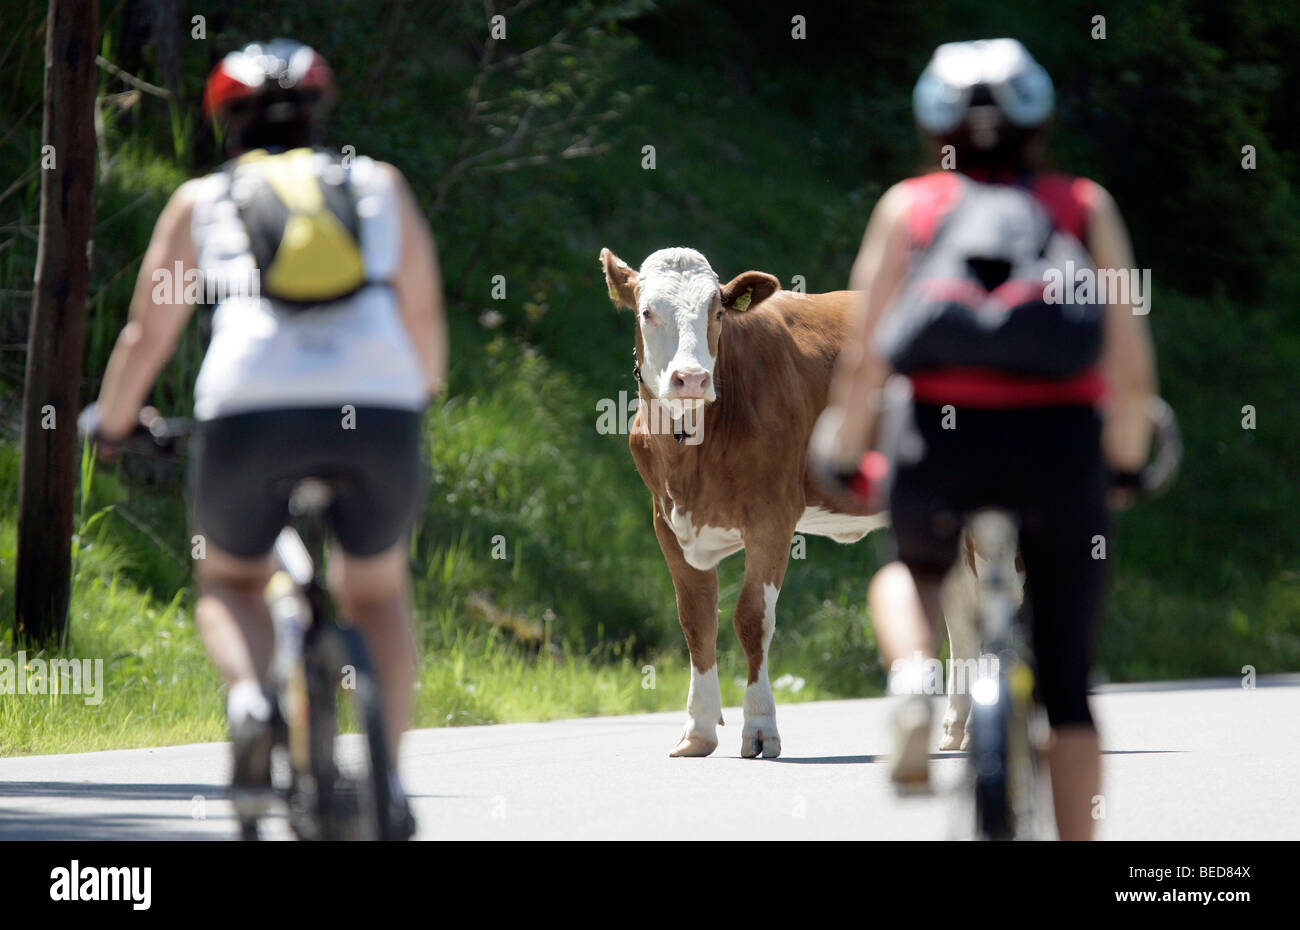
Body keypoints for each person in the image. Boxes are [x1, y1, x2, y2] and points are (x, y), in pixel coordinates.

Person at [82, 39, 448, 836]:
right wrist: (408, 402)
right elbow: (424, 324)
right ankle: (385, 778)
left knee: (232, 582)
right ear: (319, 115)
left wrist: (112, 425)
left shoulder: (200, 200)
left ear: (226, 124)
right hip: (378, 411)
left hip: (248, 411)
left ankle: (250, 702)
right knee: (376, 591)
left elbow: (147, 333)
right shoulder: (379, 185)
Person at [818, 38, 1156, 840]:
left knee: (912, 566)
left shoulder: (910, 207)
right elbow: (1129, 360)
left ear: (934, 129)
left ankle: (911, 682)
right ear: (1039, 125)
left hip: (938, 440)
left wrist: (845, 447)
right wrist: (1128, 460)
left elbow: (868, 352)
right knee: (1069, 690)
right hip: (1060, 445)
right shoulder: (1083, 204)